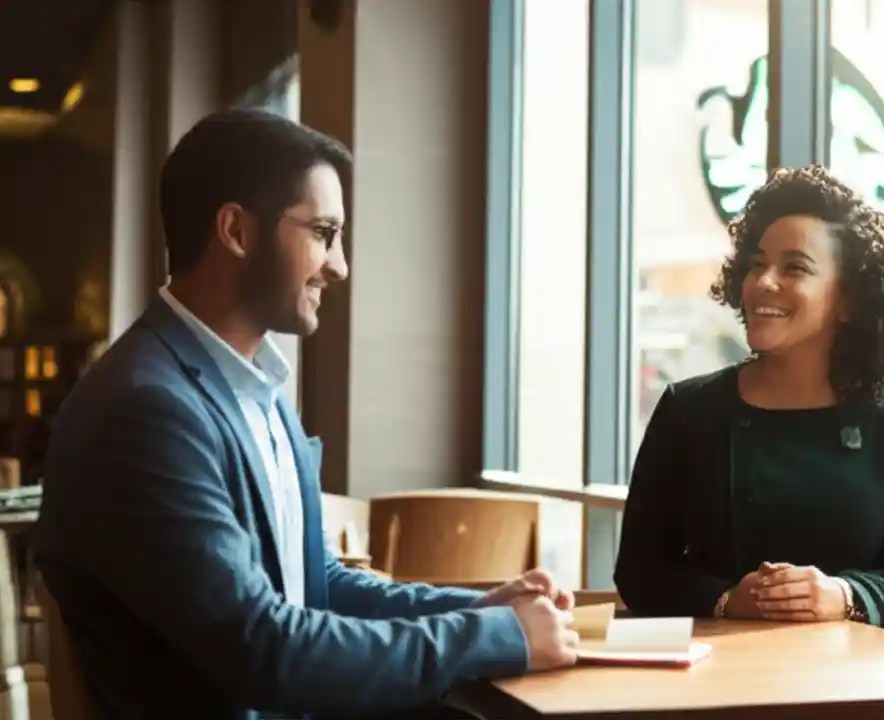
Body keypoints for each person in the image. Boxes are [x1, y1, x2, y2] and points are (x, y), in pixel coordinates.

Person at [33, 108, 578, 719]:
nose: (339, 265)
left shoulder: (253, 388)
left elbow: (317, 586)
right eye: (323, 233)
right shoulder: (145, 412)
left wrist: (478, 612)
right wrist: (494, 637)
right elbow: (266, 652)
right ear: (236, 232)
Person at [614, 165, 884, 634]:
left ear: (849, 300)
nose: (764, 282)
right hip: (712, 680)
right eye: (756, 263)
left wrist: (842, 596)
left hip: (854, 689)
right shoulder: (687, 411)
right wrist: (728, 600)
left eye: (795, 268)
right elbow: (639, 573)